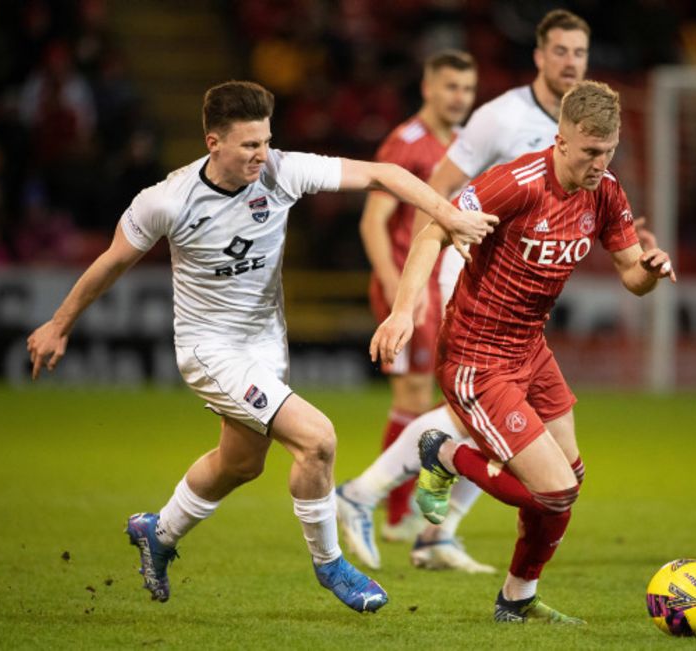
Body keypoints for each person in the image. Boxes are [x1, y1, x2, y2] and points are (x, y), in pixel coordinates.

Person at [25, 80, 496, 614]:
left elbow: (382, 174)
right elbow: (112, 262)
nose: (261, 154)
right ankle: (331, 564)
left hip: (267, 344)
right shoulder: (167, 201)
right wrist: (59, 325)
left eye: (266, 141)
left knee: (240, 463)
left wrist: (448, 215)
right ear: (213, 142)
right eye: (249, 144)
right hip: (210, 349)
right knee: (317, 440)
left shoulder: (281, 171)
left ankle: (159, 532)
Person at [339, 8, 655, 574]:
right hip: (467, 277)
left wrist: (642, 258)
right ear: (539, 56)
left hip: (525, 328)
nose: (570, 62)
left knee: (493, 431)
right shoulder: (500, 120)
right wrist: (411, 295)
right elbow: (437, 202)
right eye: (560, 51)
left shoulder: (597, 160)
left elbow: (625, 260)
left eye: (580, 53)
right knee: (449, 406)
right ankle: (389, 499)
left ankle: (421, 524)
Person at [371, 80, 676, 623]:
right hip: (476, 357)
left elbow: (632, 274)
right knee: (555, 492)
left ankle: (516, 599)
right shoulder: (515, 183)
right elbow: (433, 231)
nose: (599, 164)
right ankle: (444, 453)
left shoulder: (606, 191)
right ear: (560, 140)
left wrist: (650, 270)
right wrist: (401, 310)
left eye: (608, 151)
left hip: (530, 351)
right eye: (589, 151)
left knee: (570, 480)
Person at [347, 50, 481, 554]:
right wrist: (392, 286)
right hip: (408, 285)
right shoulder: (406, 143)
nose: (459, 97)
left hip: (444, 284)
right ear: (427, 88)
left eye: (467, 89)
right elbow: (372, 221)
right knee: (412, 398)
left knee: (443, 397)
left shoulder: (464, 145)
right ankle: (396, 515)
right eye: (450, 87)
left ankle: (406, 506)